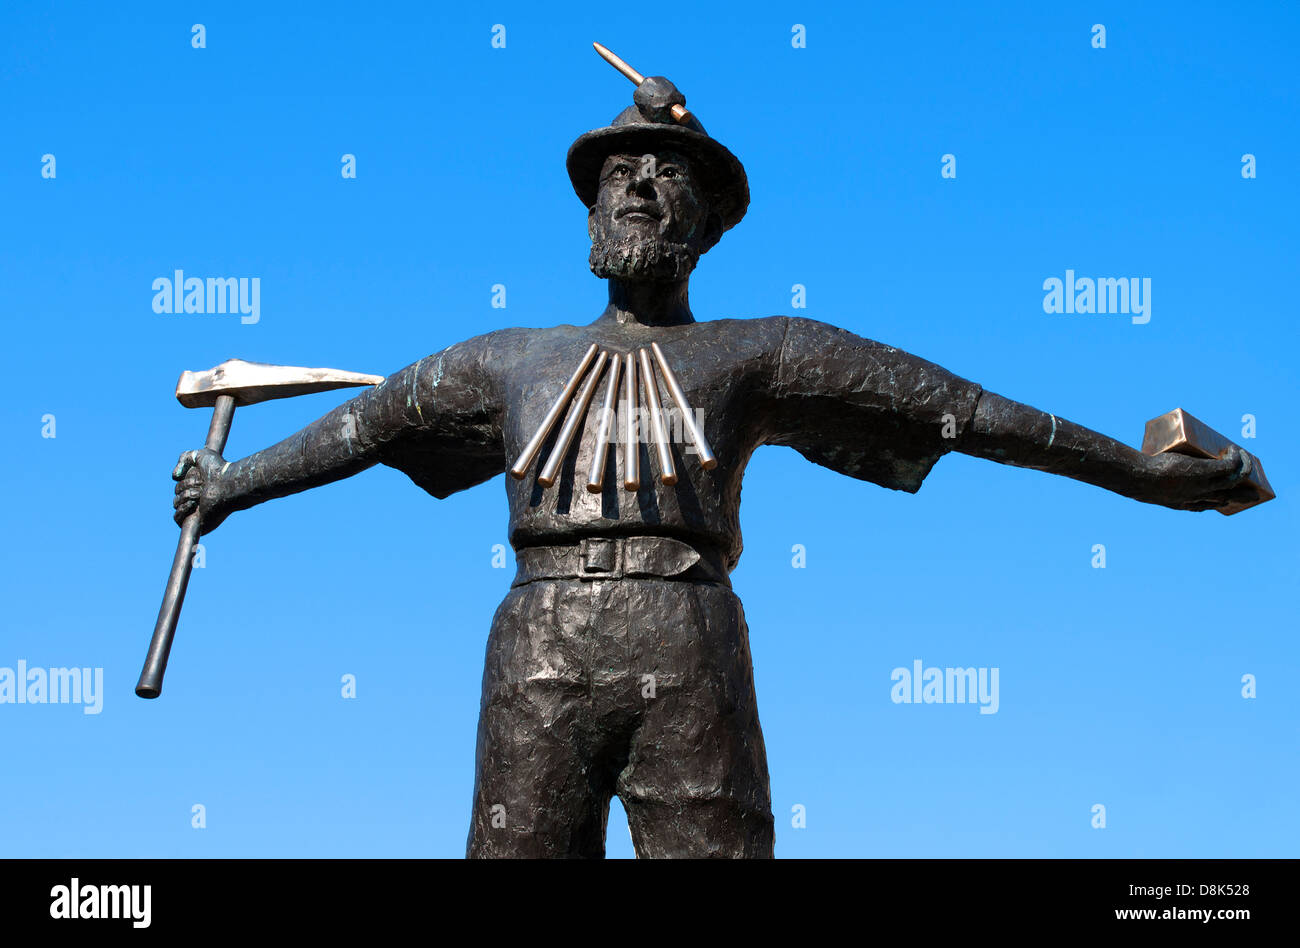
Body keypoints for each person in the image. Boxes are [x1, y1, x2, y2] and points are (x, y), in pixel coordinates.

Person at [171, 76, 1257, 858]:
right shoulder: (508, 360)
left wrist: (1134, 472)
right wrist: (229, 488)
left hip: (686, 638)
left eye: (665, 178)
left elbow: (958, 409)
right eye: (619, 178)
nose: (639, 191)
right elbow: (361, 429)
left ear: (707, 225)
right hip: (539, 640)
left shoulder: (756, 351)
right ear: (588, 210)